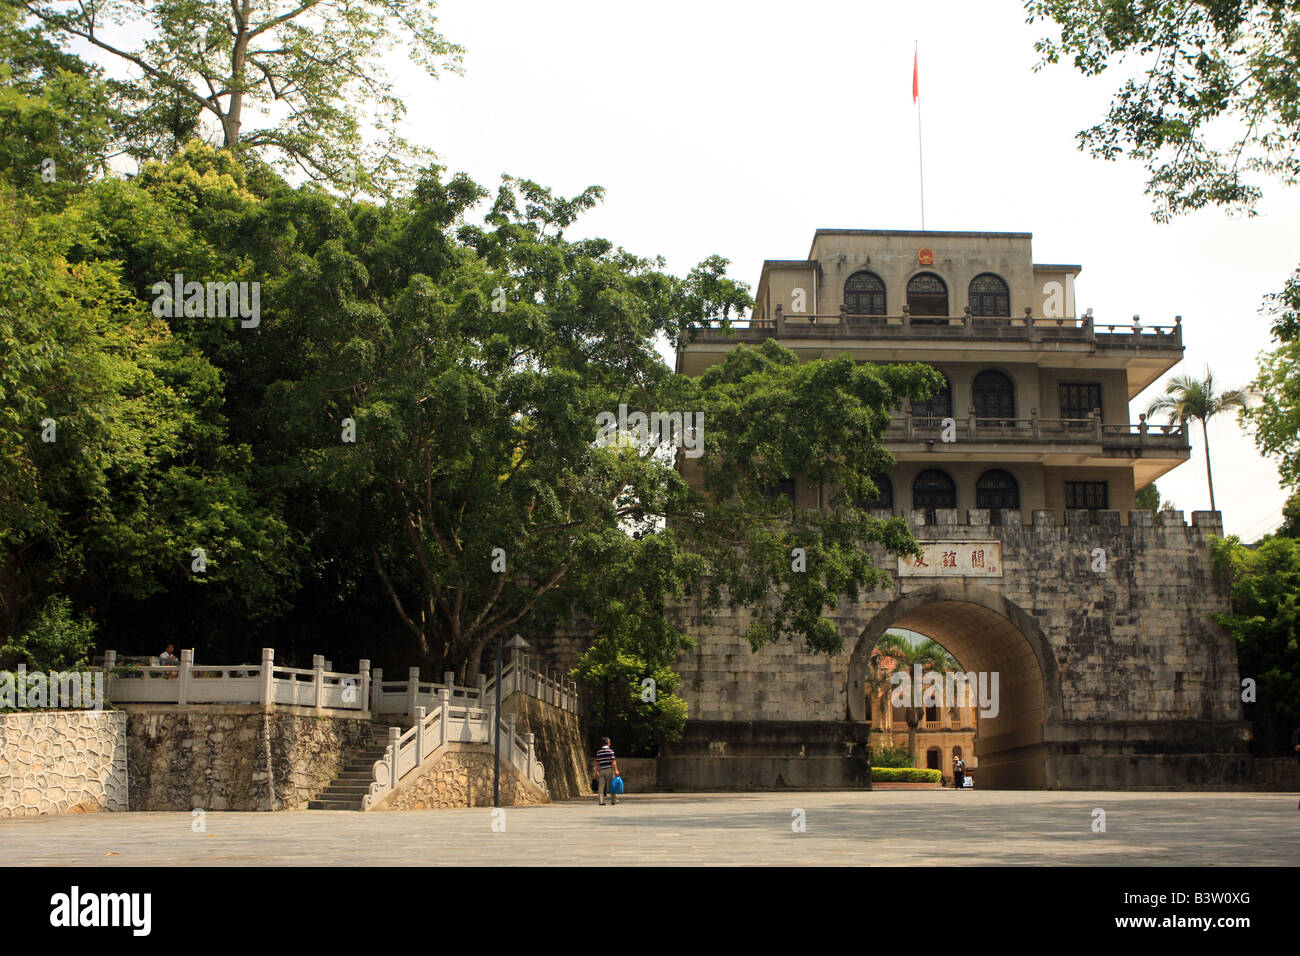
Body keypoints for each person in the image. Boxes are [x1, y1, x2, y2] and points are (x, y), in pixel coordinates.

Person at [594, 737, 620, 806]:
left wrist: (596, 771)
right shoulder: (610, 751)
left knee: (601, 786)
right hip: (609, 770)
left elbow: (597, 763)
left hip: (601, 770)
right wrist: (616, 770)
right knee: (612, 785)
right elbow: (613, 762)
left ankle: (601, 801)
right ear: (608, 743)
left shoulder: (598, 752)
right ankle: (613, 800)